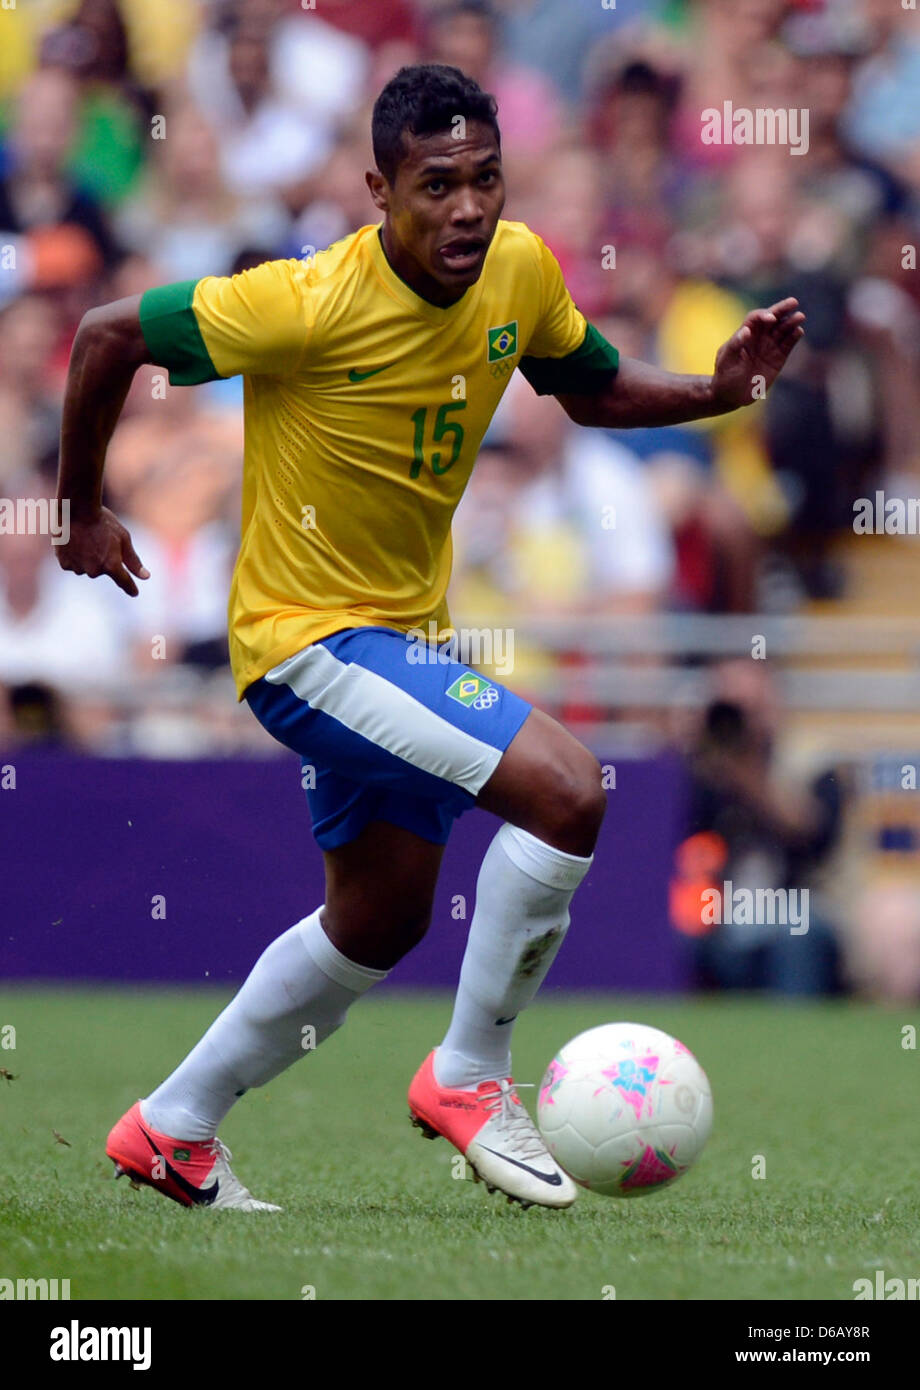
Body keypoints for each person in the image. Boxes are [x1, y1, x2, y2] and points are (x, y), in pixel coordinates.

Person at [54, 64, 805, 1212]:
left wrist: (718, 391)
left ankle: (171, 1127)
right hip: (303, 643)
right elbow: (108, 333)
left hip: (404, 642)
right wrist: (81, 509)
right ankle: (467, 1074)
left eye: (486, 180)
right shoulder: (297, 301)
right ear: (377, 189)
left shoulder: (518, 267)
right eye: (436, 184)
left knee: (381, 916)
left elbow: (588, 387)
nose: (467, 208)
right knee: (567, 791)